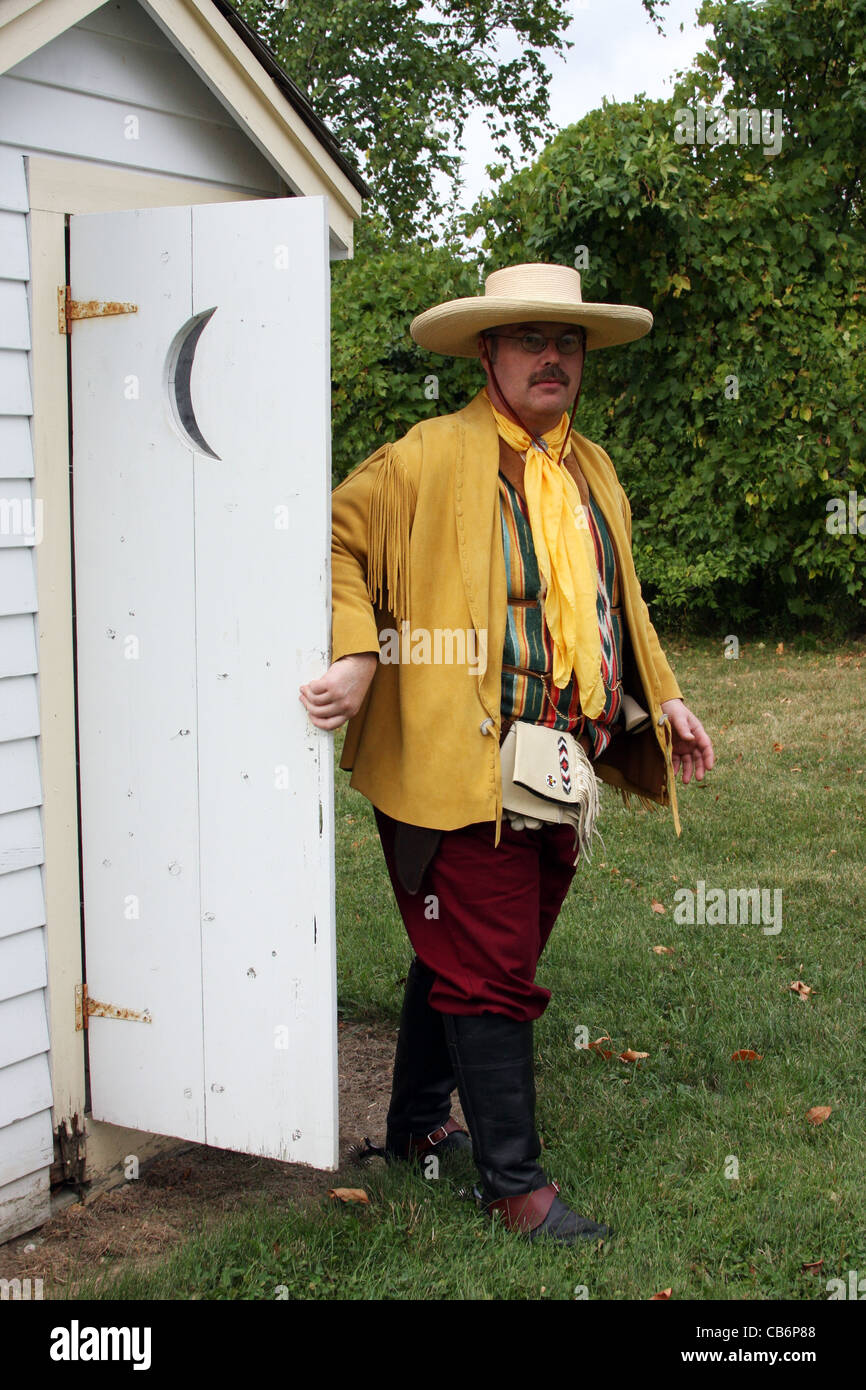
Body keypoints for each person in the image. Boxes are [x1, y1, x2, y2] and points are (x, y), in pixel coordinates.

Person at [299, 263, 714, 1244]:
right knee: (489, 966)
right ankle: (514, 1187)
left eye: (564, 341)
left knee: (480, 948)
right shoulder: (424, 457)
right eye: (528, 339)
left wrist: (663, 695)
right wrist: (358, 651)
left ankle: (410, 1128)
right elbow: (327, 536)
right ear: (485, 352)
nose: (550, 357)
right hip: (455, 763)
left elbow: (621, 600)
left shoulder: (589, 467)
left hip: (556, 763)